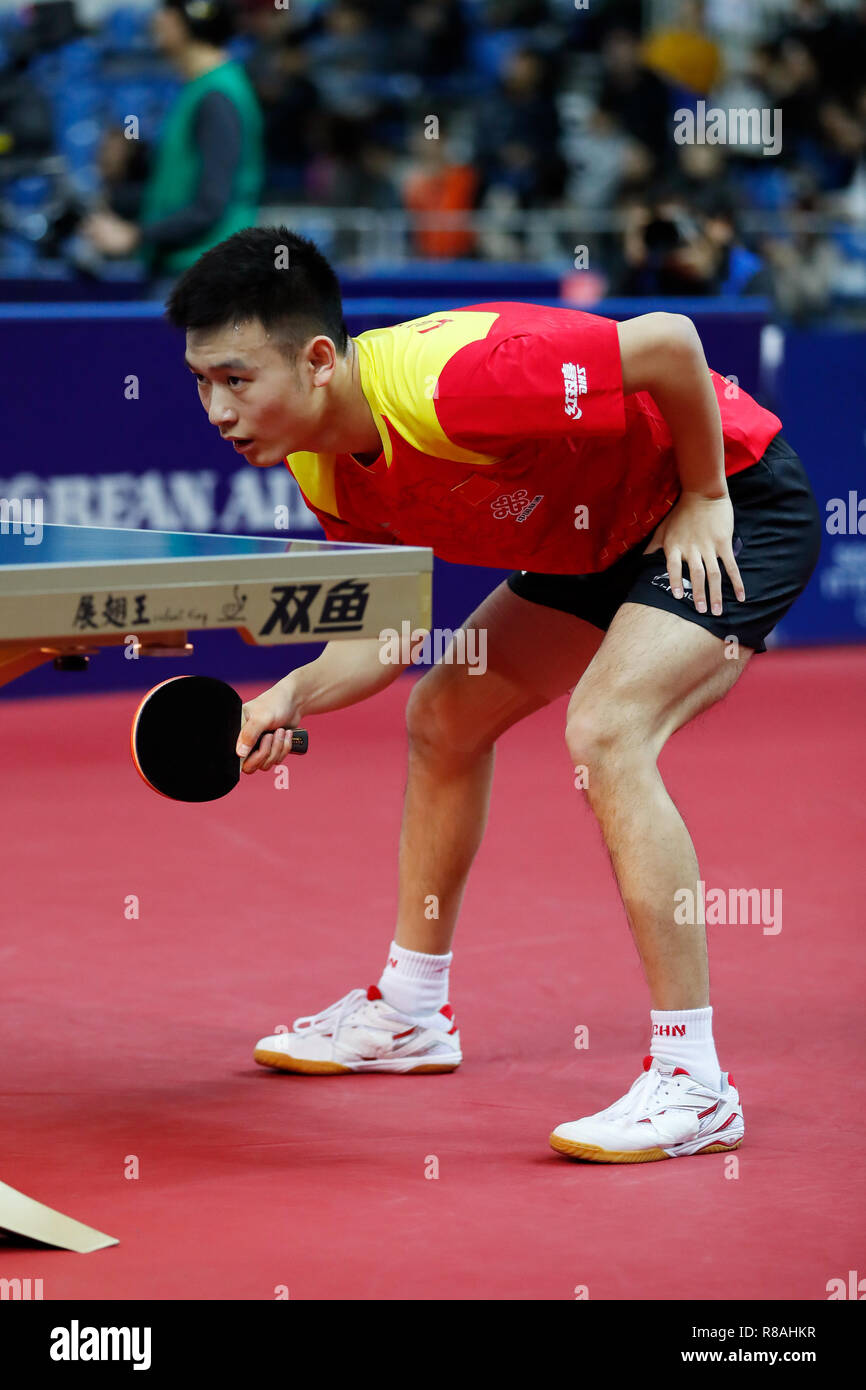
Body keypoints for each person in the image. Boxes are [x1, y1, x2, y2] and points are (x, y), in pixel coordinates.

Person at [165, 227, 821, 1164]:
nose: (216, 409)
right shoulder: (321, 462)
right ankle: (412, 1013)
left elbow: (672, 341)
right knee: (442, 717)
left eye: (236, 379)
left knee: (607, 730)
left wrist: (708, 493)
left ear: (317, 360)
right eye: (199, 382)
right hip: (592, 538)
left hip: (727, 499)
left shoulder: (459, 384)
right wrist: (292, 695)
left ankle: (695, 1083)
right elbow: (385, 634)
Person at [81, 0, 263, 278]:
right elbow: (177, 189)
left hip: (205, 275)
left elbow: (210, 205)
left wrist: (134, 235)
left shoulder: (217, 95)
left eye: (167, 12)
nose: (156, 20)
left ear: (189, 21)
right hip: (189, 268)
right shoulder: (198, 89)